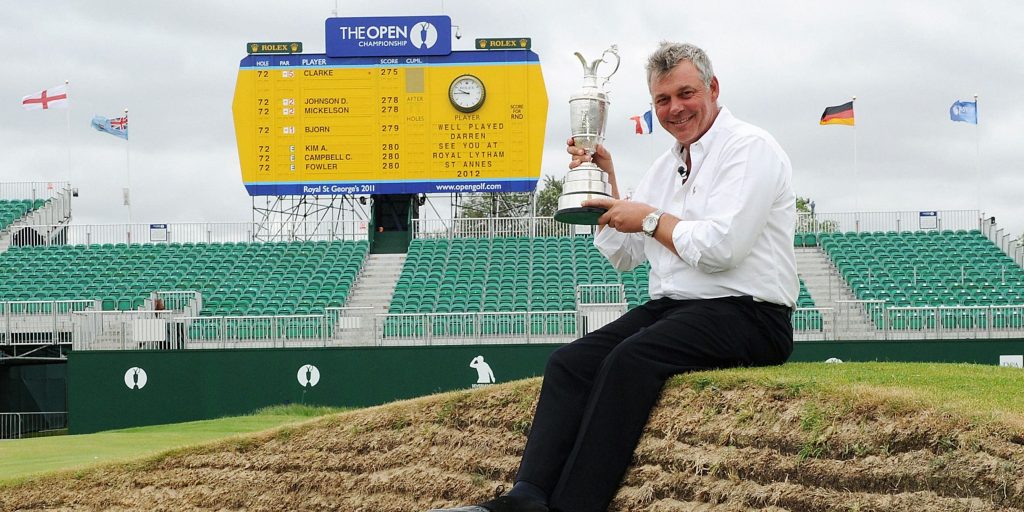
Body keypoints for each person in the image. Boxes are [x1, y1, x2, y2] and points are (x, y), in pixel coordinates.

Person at [430, 41, 797, 512]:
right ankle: (527, 496)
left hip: (750, 314)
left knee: (630, 360)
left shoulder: (750, 148)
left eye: (685, 93)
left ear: (713, 88)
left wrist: (649, 217)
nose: (675, 108)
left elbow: (723, 249)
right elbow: (626, 254)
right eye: (662, 99)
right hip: (677, 308)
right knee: (569, 362)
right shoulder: (666, 166)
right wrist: (606, 186)